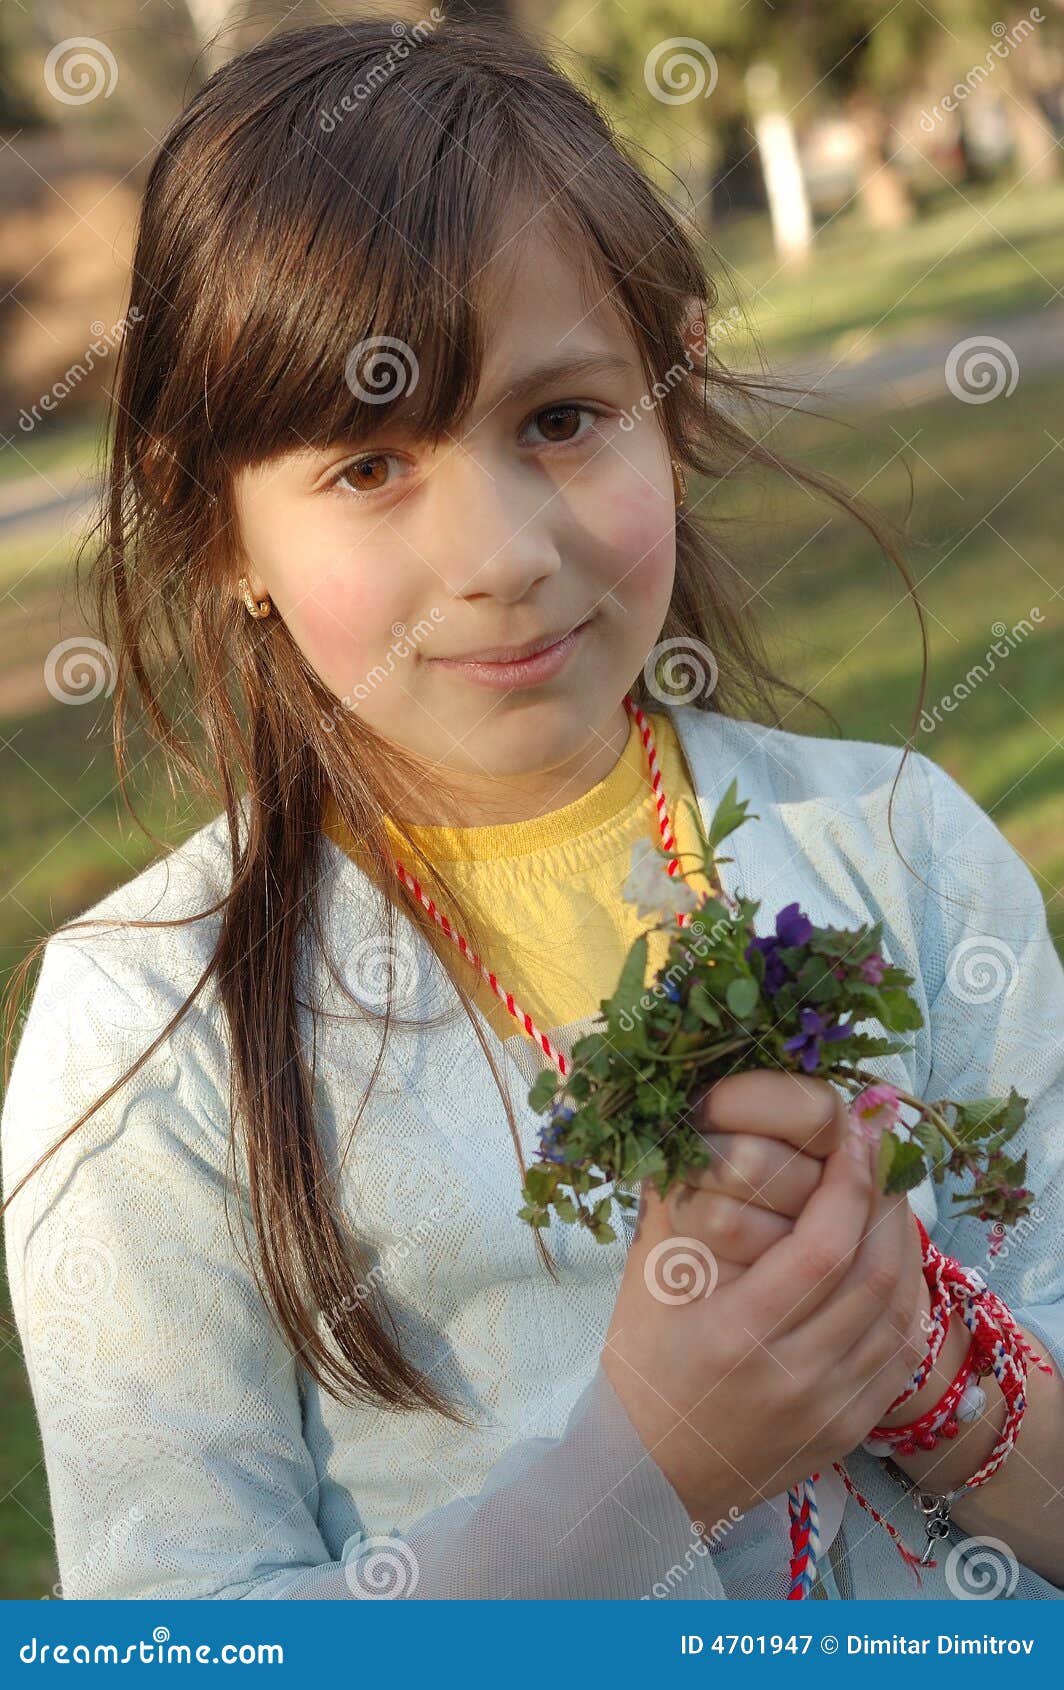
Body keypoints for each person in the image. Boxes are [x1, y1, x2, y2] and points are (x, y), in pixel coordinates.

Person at [3, 14, 1062, 1602]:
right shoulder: (142, 1033)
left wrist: (923, 1357)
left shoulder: (905, 854)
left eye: (560, 419)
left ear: (670, 397)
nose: (499, 550)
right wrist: (649, 1465)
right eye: (368, 463)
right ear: (216, 529)